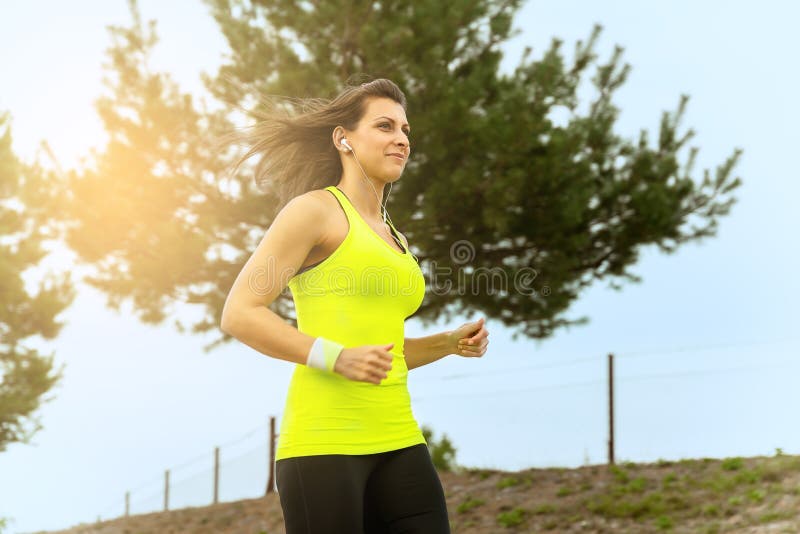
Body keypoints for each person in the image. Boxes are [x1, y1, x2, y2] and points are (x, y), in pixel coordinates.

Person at [219, 78, 489, 534]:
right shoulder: (314, 211)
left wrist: (446, 343)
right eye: (385, 126)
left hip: (400, 438)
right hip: (324, 443)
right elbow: (240, 312)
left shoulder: (395, 237)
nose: (401, 139)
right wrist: (336, 357)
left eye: (405, 130)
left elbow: (382, 353)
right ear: (343, 138)